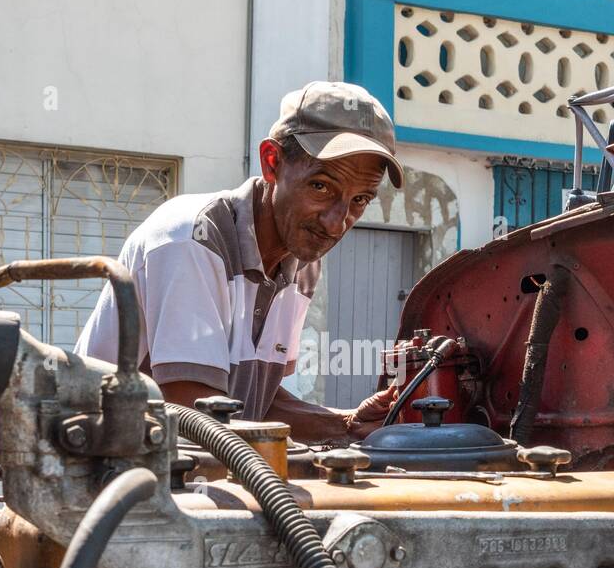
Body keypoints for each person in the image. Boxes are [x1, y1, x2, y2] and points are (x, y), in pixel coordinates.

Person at [75, 81, 403, 443]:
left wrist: (348, 426)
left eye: (359, 200)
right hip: (102, 475)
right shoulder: (193, 239)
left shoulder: (302, 262)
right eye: (321, 187)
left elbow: (257, 404)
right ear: (272, 161)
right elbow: (198, 420)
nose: (336, 222)